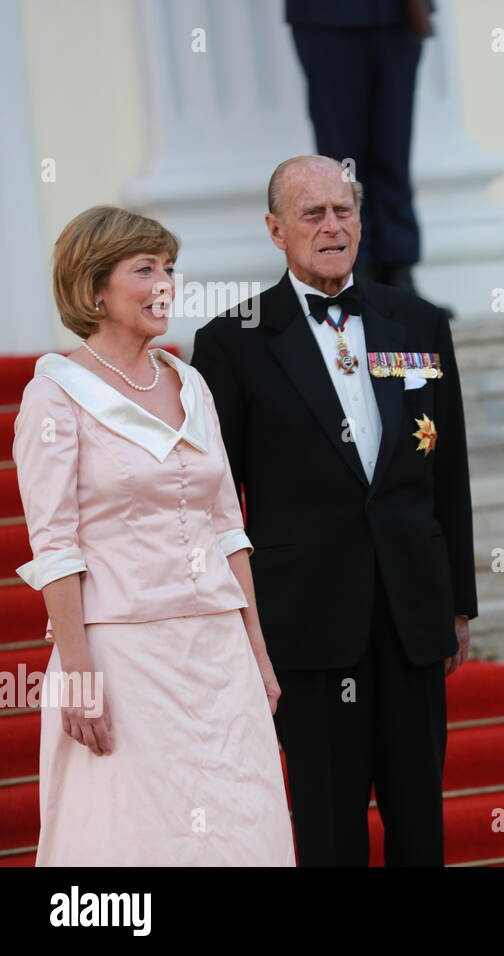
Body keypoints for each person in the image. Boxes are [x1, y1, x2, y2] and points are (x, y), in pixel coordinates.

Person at [191, 154, 476, 867]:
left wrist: (458, 602)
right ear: (275, 228)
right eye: (312, 213)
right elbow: (215, 498)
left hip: (411, 611)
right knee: (327, 825)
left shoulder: (417, 320)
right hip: (306, 621)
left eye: (343, 210)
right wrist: (236, 620)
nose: (331, 225)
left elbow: (449, 472)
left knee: (420, 822)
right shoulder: (232, 341)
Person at [12, 205, 294, 865]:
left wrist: (257, 651)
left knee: (240, 823)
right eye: (145, 269)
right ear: (94, 286)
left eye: (170, 269)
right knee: (139, 833)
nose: (166, 283)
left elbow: (227, 527)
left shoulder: (190, 383)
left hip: (218, 649)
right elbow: (54, 546)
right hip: (125, 654)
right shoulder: (53, 395)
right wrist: (78, 675)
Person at [286, 0, 435, 289]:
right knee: (342, 159)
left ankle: (400, 271)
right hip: (327, 18)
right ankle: (356, 271)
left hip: (397, 14)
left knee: (393, 149)